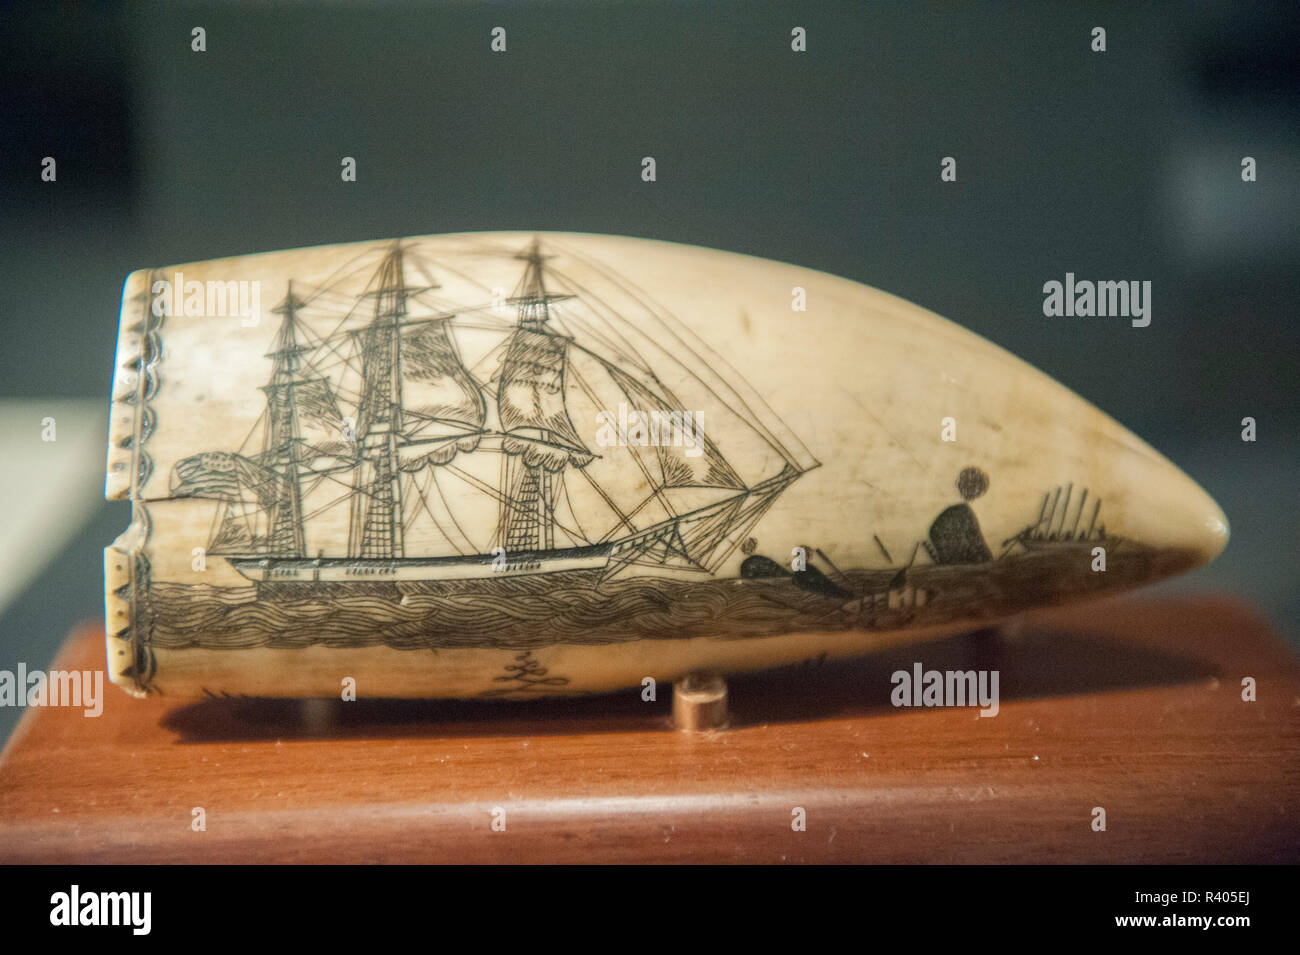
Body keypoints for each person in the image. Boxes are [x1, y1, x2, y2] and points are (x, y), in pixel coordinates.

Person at [927, 467, 993, 564]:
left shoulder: (960, 511)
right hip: (961, 565)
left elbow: (977, 543)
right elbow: (979, 545)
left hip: (955, 564)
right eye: (978, 490)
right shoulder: (964, 512)